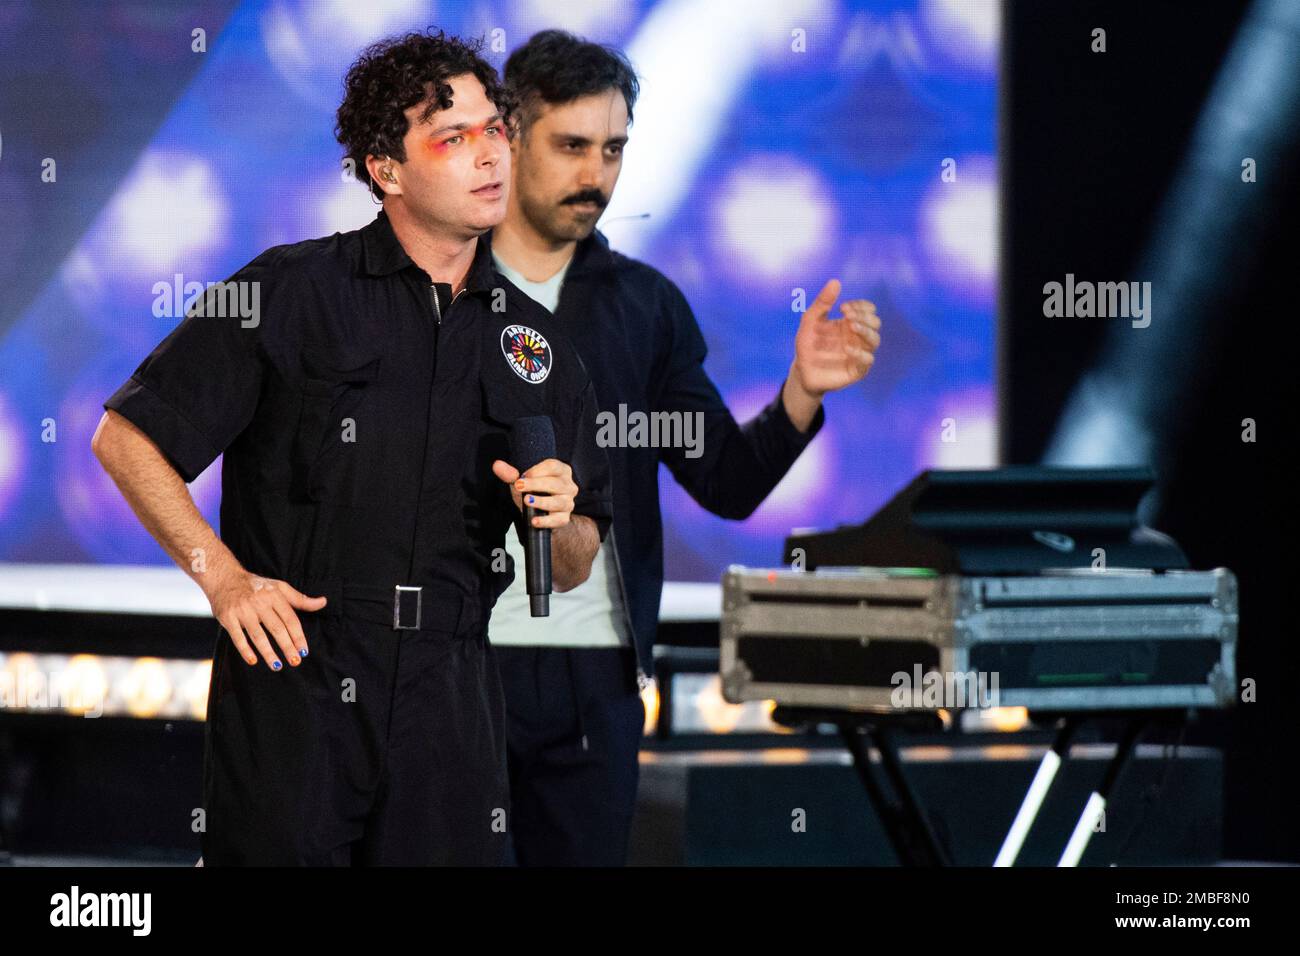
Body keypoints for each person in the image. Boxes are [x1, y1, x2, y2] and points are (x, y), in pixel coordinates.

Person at [90, 30, 612, 866]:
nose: (487, 157)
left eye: (494, 131)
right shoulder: (289, 291)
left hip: (452, 687)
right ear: (387, 169)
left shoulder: (535, 342)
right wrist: (221, 579)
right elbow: (125, 438)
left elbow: (581, 558)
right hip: (302, 675)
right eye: (452, 138)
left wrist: (563, 518)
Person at [487, 30, 882, 866]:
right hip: (448, 667)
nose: (595, 175)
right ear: (508, 136)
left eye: (613, 150)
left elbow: (726, 483)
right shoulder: (437, 289)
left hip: (595, 679)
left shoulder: (645, 306)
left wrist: (801, 391)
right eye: (571, 147)